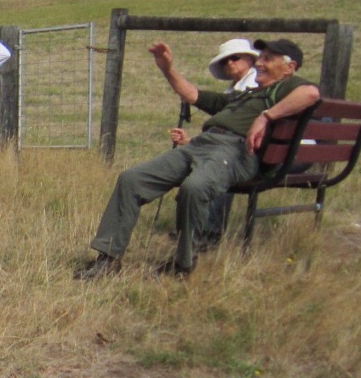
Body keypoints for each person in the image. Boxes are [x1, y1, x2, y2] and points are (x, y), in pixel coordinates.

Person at [76, 38, 320, 280]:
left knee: (195, 187)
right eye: (260, 58)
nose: (259, 63)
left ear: (290, 67)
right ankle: (107, 260)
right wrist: (167, 69)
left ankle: (182, 265)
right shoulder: (245, 96)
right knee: (131, 179)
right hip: (200, 146)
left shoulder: (284, 88)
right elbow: (193, 95)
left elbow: (311, 93)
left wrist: (266, 117)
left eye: (268, 59)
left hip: (233, 151)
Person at [171, 39, 260, 244]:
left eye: (234, 58)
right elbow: (231, 134)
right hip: (255, 150)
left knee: (219, 165)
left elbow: (238, 134)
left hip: (254, 155)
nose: (229, 63)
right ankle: (196, 228)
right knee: (214, 161)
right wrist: (192, 141)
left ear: (249, 59)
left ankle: (205, 231)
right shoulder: (237, 90)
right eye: (225, 61)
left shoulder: (253, 87)